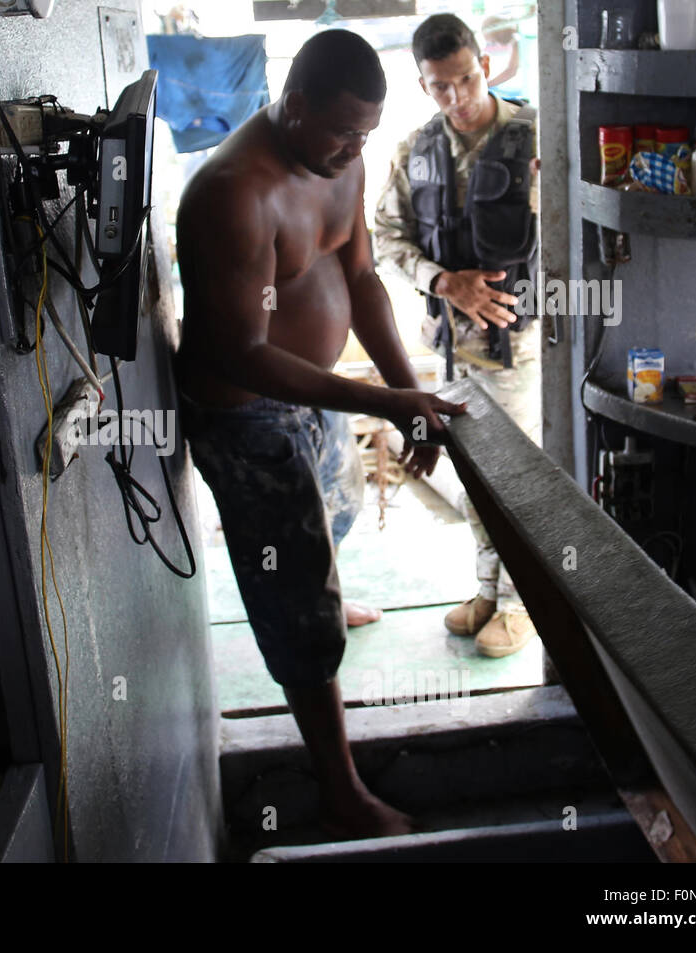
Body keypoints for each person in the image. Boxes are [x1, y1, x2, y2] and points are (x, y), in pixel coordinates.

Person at [175, 28, 465, 839]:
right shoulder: (234, 192)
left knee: (328, 523)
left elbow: (363, 276)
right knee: (299, 606)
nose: (354, 149)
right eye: (342, 130)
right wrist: (378, 405)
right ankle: (342, 792)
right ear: (293, 105)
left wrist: (405, 388)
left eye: (367, 132)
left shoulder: (344, 158)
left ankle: (327, 590)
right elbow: (245, 355)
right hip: (248, 415)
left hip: (318, 400)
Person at [373, 13, 541, 659]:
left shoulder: (533, 139)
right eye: (440, 86)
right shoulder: (413, 151)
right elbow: (384, 237)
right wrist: (444, 281)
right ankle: (487, 590)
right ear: (423, 85)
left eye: (467, 79)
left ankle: (523, 607)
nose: (457, 97)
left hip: (520, 349)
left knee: (519, 483)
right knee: (475, 480)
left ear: (487, 65)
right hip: (450, 349)